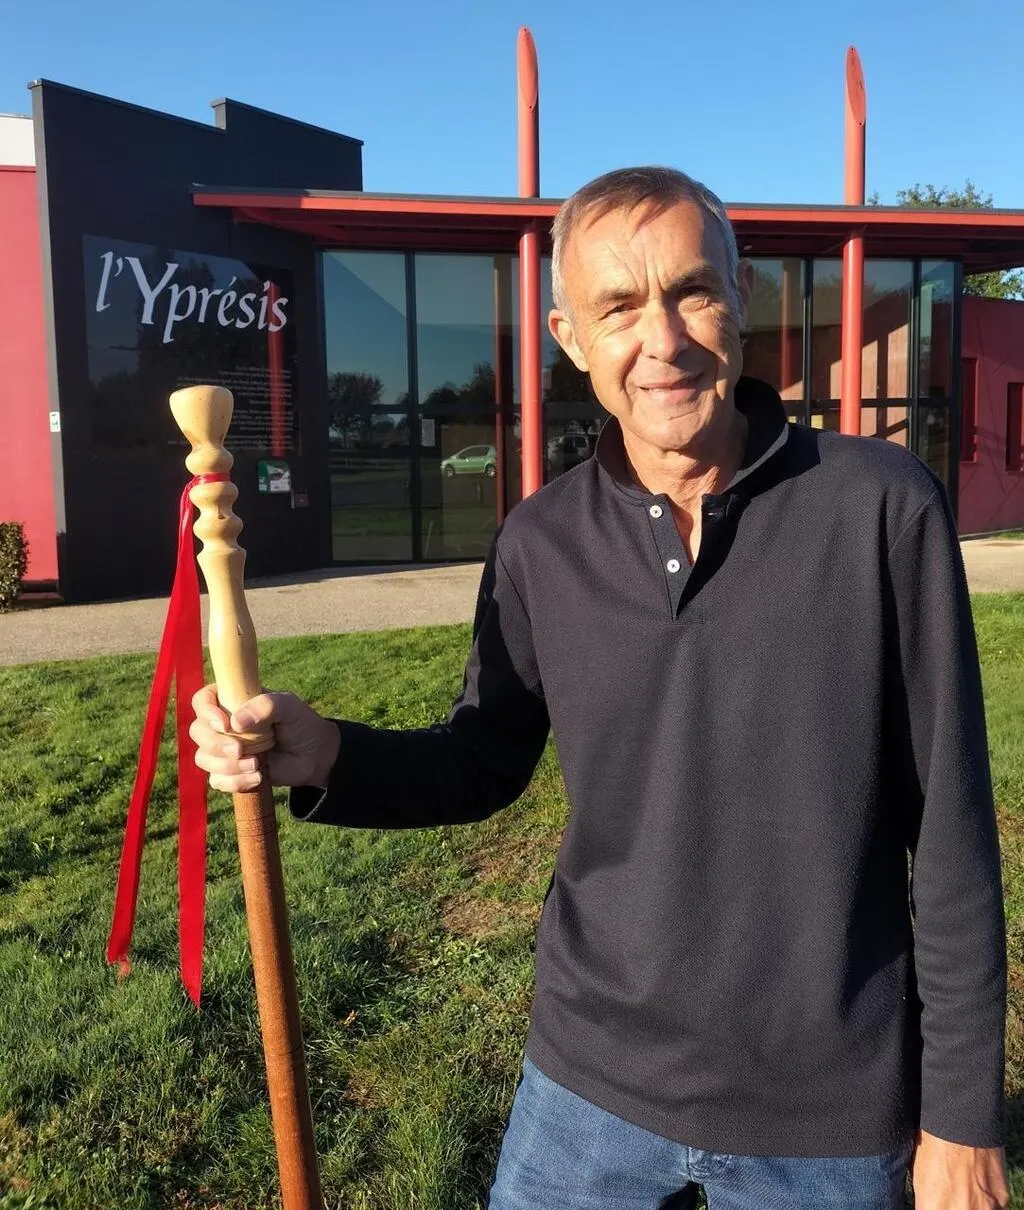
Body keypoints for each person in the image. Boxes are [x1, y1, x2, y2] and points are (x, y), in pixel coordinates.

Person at [190, 167, 1010, 1209]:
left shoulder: (879, 507)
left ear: (740, 299)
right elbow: (481, 758)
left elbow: (951, 828)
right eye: (617, 307)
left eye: (691, 292)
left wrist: (962, 1116)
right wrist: (329, 754)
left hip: (828, 1107)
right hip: (589, 1087)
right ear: (569, 336)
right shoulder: (540, 541)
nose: (661, 341)